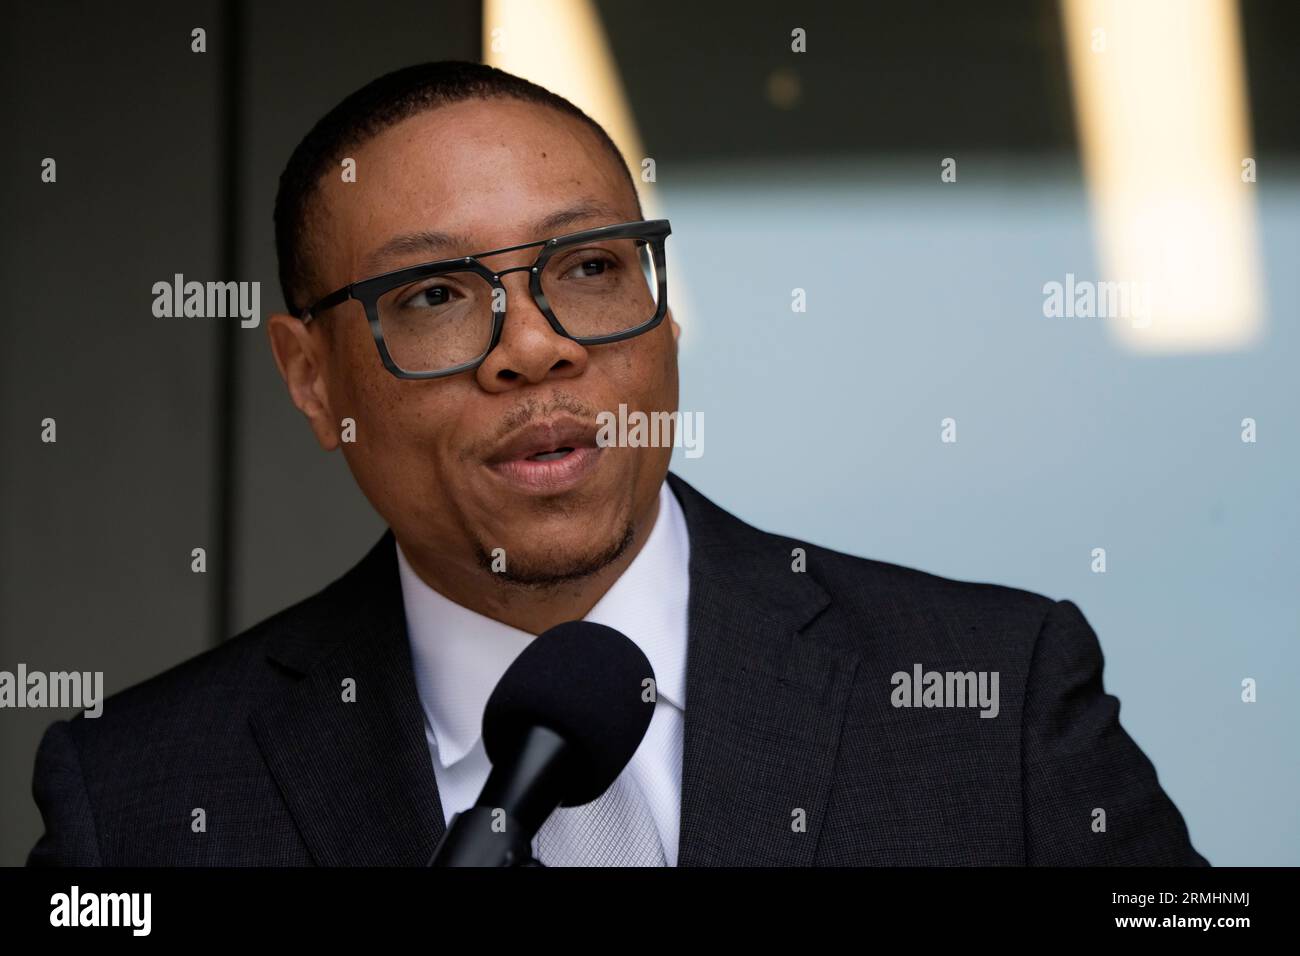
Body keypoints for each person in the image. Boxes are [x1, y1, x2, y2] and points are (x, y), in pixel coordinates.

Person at [28, 61, 1206, 867]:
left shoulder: (992, 703)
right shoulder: (135, 798)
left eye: (589, 266)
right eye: (436, 295)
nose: (534, 348)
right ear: (311, 378)